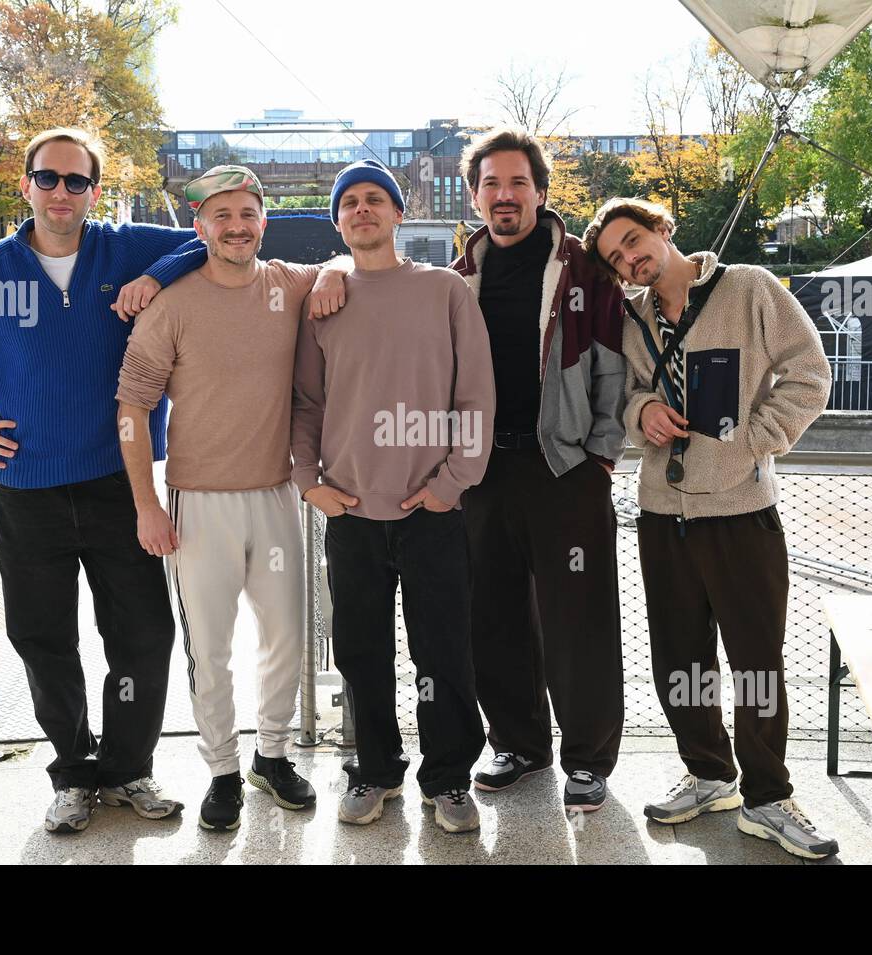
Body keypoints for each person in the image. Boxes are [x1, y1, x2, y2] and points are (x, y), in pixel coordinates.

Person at [0, 127, 209, 833]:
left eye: (76, 181)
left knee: (142, 634)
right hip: (27, 490)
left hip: (118, 483)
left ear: (94, 191)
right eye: (47, 178)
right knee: (44, 637)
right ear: (26, 186)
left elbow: (207, 238)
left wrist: (154, 277)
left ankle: (129, 767)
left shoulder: (124, 248)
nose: (61, 192)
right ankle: (74, 773)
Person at [583, 196, 839, 860]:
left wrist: (754, 442)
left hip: (741, 511)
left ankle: (768, 794)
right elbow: (624, 391)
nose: (630, 260)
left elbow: (810, 376)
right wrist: (643, 412)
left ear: (664, 229)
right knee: (678, 655)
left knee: (756, 660)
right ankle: (708, 773)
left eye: (635, 242)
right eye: (616, 257)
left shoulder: (747, 287)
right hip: (662, 514)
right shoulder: (632, 318)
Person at [115, 166, 340, 832]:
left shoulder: (290, 284)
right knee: (209, 648)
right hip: (198, 504)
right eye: (222, 215)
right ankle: (221, 769)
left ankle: (271, 756)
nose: (236, 226)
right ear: (201, 226)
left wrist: (329, 273)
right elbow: (132, 406)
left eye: (248, 213)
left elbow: (344, 267)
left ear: (263, 221)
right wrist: (146, 505)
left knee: (285, 636)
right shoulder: (172, 303)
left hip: (274, 495)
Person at [293, 160, 495, 833]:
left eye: (375, 198)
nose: (361, 209)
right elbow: (306, 403)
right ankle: (375, 770)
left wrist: (450, 484)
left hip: (429, 510)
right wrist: (309, 481)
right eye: (348, 202)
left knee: (444, 650)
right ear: (338, 220)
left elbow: (475, 395)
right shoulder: (322, 299)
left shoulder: (444, 290)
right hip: (350, 511)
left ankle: (449, 777)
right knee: (360, 652)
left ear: (398, 213)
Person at [453, 128, 627, 812]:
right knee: (491, 613)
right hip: (483, 469)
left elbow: (614, 364)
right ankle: (519, 743)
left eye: (517, 182)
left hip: (564, 468)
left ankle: (588, 758)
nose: (505, 195)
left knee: (578, 615)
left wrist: (598, 457)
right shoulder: (459, 275)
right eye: (491, 184)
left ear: (541, 192)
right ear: (475, 196)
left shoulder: (584, 269)